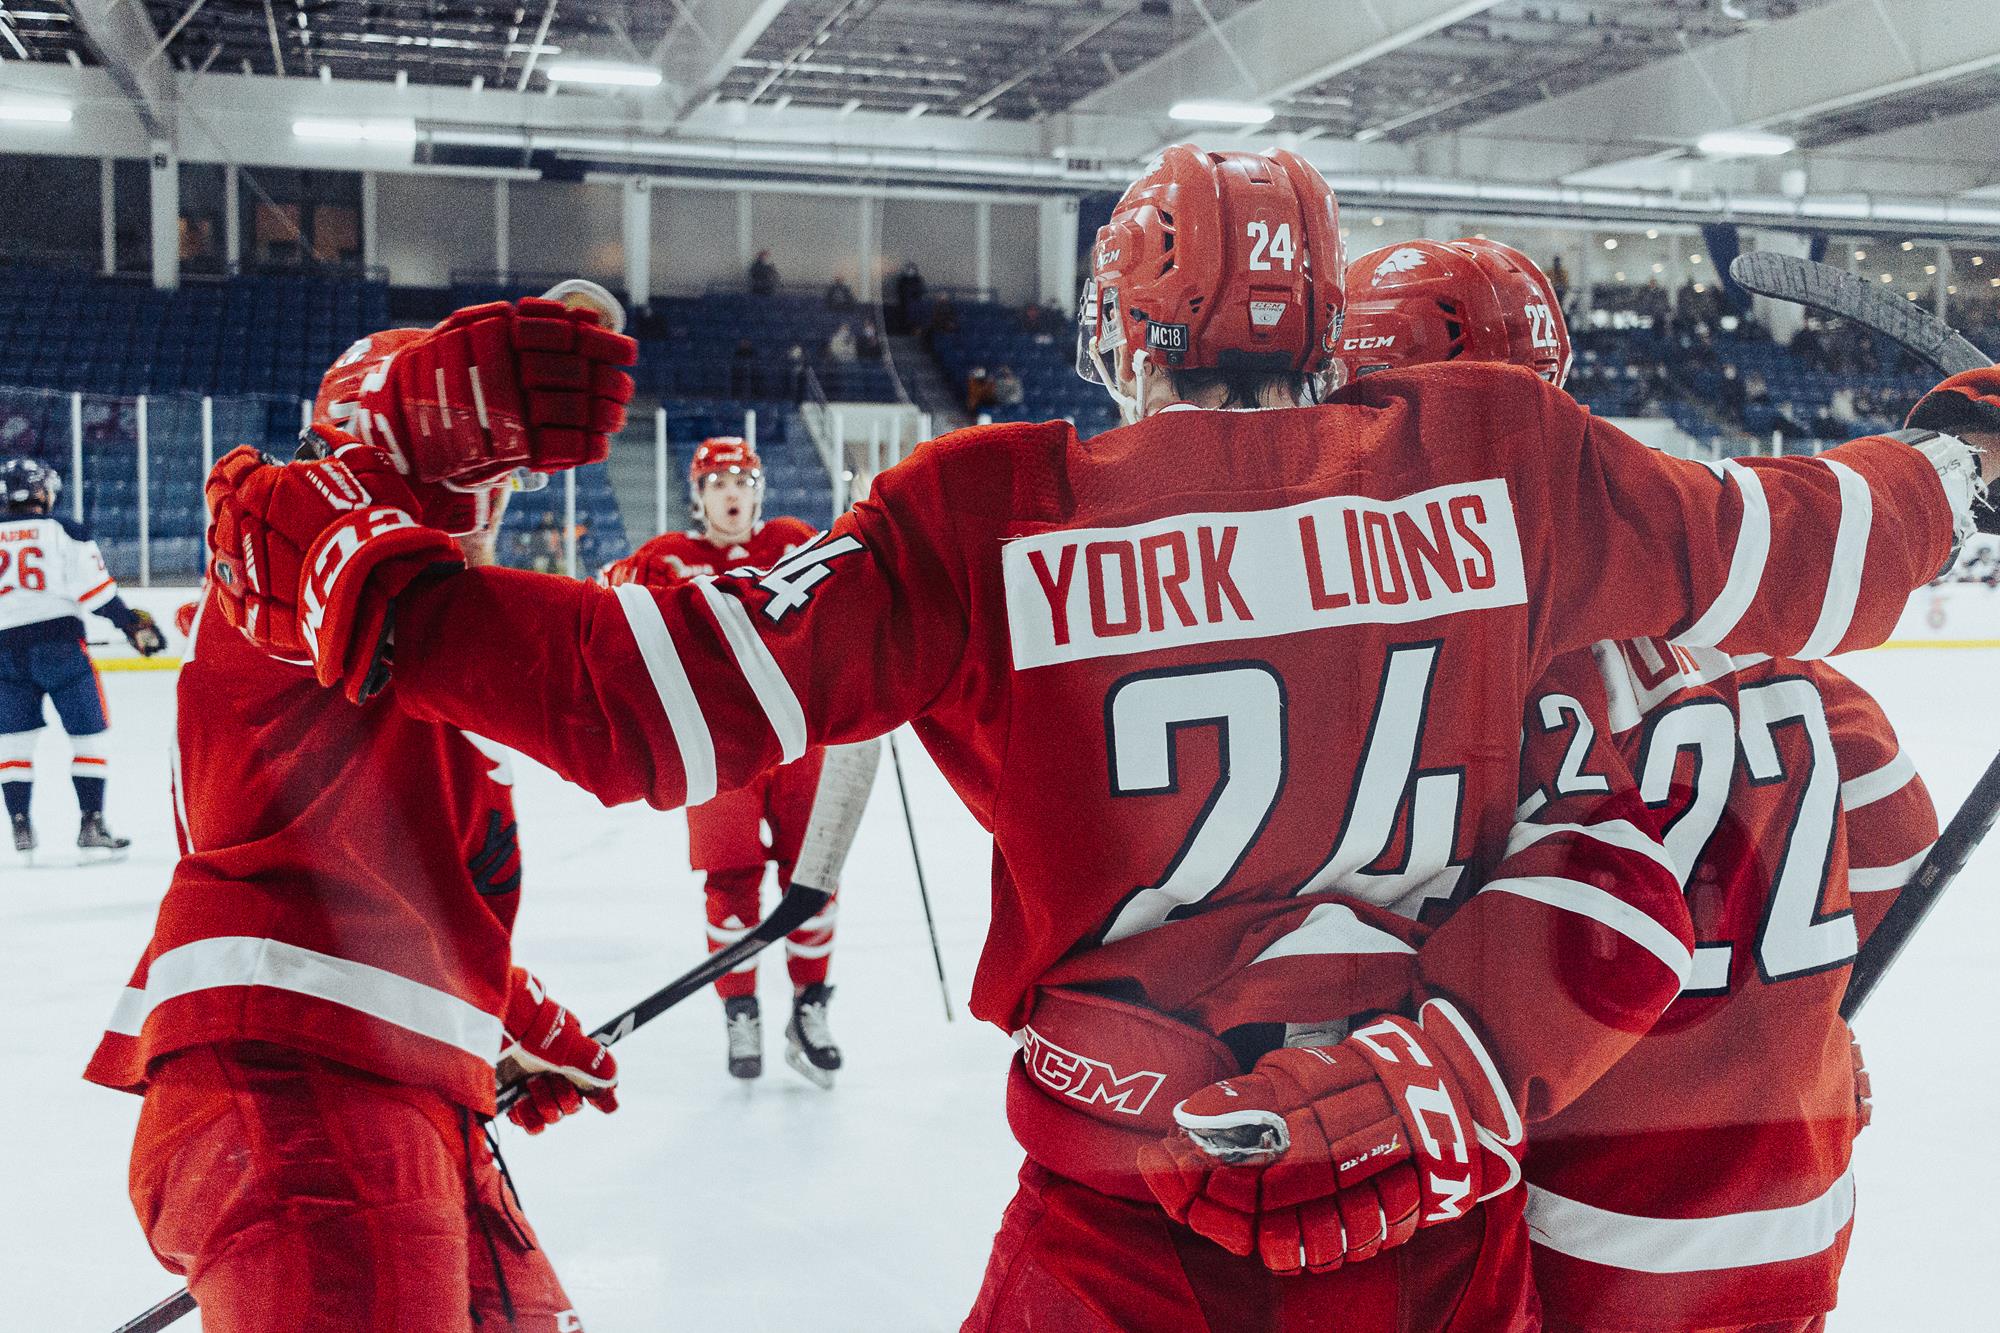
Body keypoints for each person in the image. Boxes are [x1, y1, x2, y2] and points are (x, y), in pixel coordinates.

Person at [204, 146, 1988, 1330]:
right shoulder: (1504, 460)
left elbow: (641, 704)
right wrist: (1967, 466)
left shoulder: (995, 508)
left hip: (1122, 1196)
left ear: (1131, 330)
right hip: (1430, 1206)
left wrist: (368, 583)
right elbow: (1817, 542)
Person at [1340, 236, 1944, 1333]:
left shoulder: (1497, 677)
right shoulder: (1767, 638)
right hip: (1799, 1205)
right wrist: (1789, 1018)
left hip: (1593, 1218)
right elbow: (1901, 849)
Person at [83, 295, 639, 1330]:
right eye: (488, 476)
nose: (502, 501)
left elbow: (377, 898)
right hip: (300, 1100)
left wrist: (514, 1022)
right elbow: (275, 518)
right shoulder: (293, 576)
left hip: (385, 1097)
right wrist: (405, 433)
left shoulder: (406, 674)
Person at [599, 438, 843, 1087]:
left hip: (798, 740)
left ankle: (810, 1007)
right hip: (715, 752)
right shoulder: (666, 559)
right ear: (699, 494)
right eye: (718, 482)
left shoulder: (794, 539)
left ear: (757, 489)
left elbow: (849, 602)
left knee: (813, 873)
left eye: (742, 479)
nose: (731, 492)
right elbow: (606, 612)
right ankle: (741, 1009)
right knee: (730, 883)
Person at [0, 456, 164, 857]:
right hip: (60, 646)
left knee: (14, 744)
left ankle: (20, 826)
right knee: (89, 735)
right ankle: (91, 824)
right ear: (41, 492)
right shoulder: (63, 529)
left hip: (3, 653)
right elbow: (96, 593)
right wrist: (129, 624)